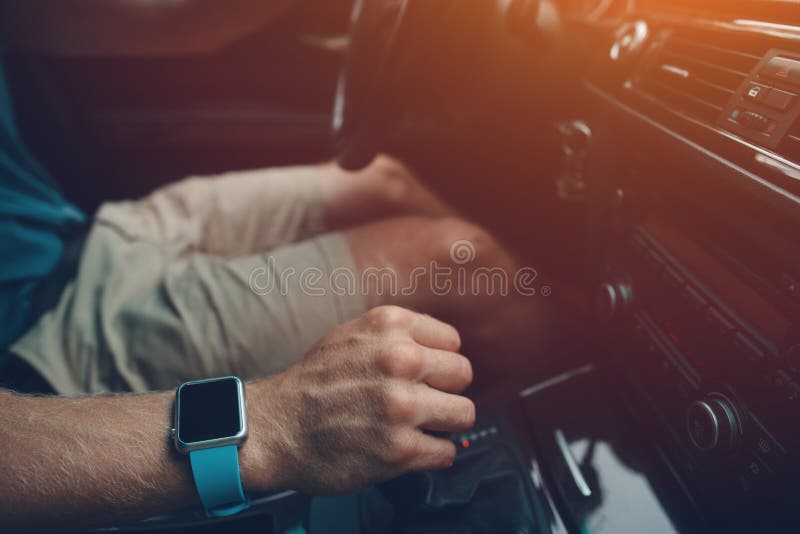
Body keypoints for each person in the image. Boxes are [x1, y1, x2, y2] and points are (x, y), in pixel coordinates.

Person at [0, 1, 563, 530]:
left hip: (79, 243)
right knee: (458, 260)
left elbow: (145, 16)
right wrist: (271, 427)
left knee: (386, 183)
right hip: (34, 348)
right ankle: (585, 408)